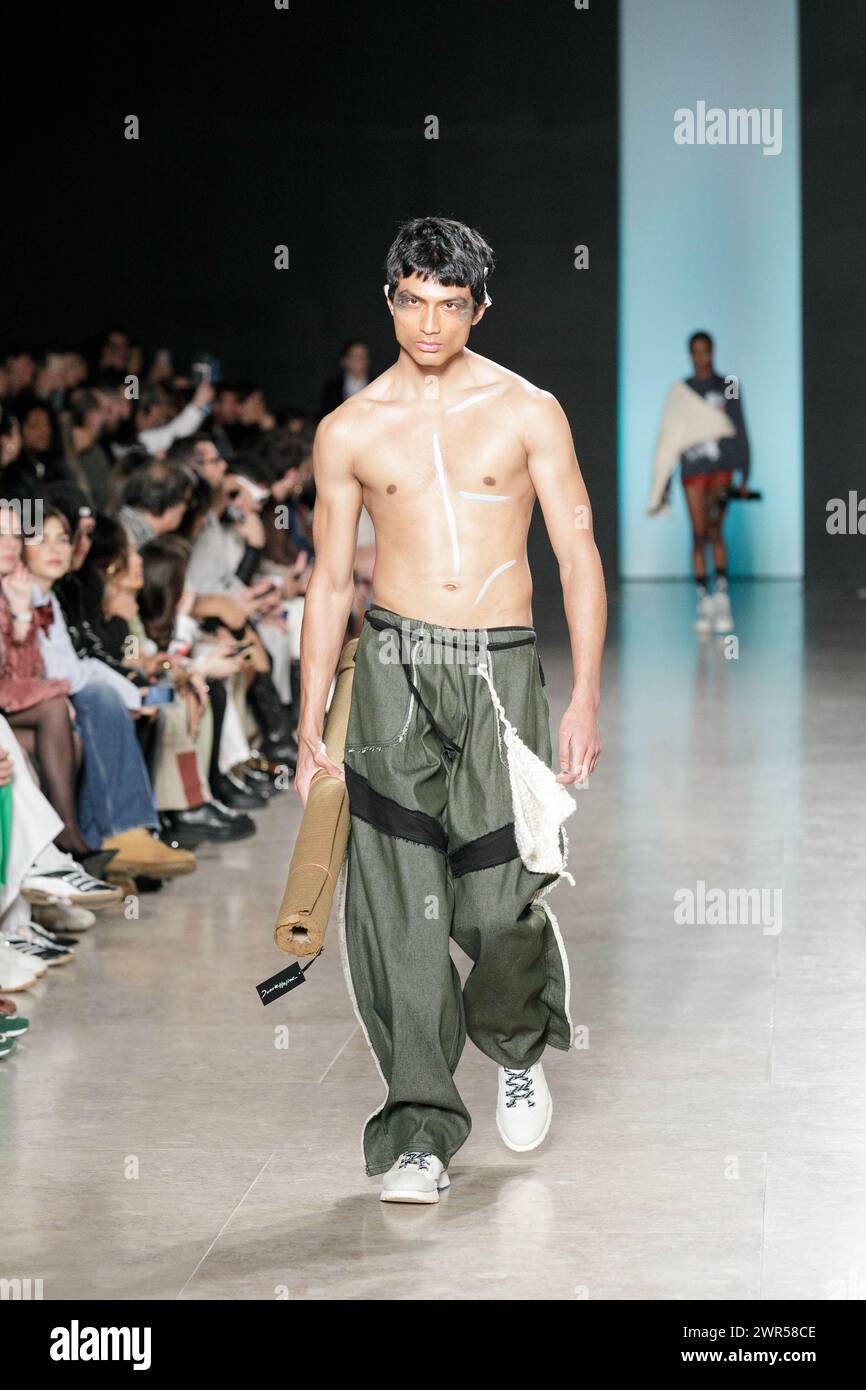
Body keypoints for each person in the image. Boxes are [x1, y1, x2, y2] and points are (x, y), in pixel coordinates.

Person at [294, 216, 606, 1202]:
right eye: (413, 300)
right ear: (388, 297)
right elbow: (327, 584)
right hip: (391, 663)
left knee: (496, 901)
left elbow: (576, 551)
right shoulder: (347, 431)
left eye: (451, 304)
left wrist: (585, 692)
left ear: (480, 307)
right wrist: (309, 723)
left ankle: (514, 1039)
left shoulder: (527, 411)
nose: (430, 322)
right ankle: (417, 1128)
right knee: (399, 909)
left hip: (499, 666)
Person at [677, 331, 750, 634]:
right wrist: (663, 486)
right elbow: (674, 435)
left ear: (712, 351)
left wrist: (744, 470)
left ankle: (722, 598)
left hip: (721, 468)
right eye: (695, 352)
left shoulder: (728, 385)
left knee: (715, 529)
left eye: (705, 351)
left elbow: (739, 426)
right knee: (698, 533)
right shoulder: (683, 390)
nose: (701, 357)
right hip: (693, 467)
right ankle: (704, 601)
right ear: (690, 354)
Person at [319, 339, 372, 417]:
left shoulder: (377, 383)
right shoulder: (333, 388)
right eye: (357, 357)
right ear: (345, 361)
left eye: (365, 356)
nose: (362, 360)